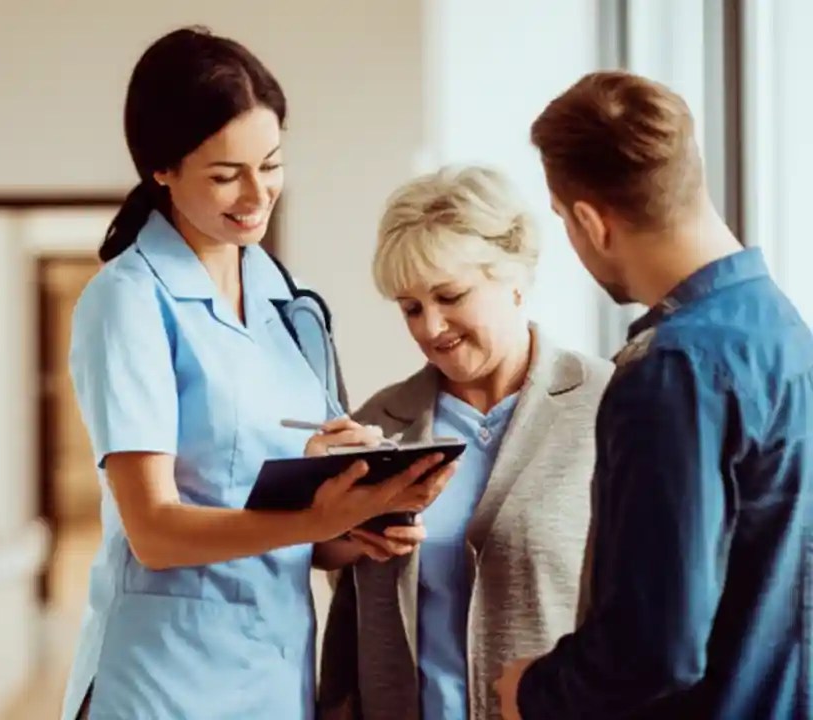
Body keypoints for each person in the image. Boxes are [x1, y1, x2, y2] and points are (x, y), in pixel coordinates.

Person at [59, 27, 455, 720]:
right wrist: (314, 518)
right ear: (161, 168)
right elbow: (153, 530)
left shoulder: (288, 301)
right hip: (163, 683)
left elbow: (296, 538)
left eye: (271, 164)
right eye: (224, 175)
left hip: (273, 678)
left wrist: (356, 525)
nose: (256, 194)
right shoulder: (128, 299)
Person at [496, 70, 813, 719]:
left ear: (590, 220)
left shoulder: (672, 370)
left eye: (563, 219)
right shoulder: (781, 327)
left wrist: (533, 691)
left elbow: (659, 646)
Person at [314, 166, 613, 720]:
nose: (430, 327)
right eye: (410, 308)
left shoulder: (606, 406)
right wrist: (332, 516)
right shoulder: (379, 422)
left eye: (449, 296)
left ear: (515, 277)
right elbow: (328, 566)